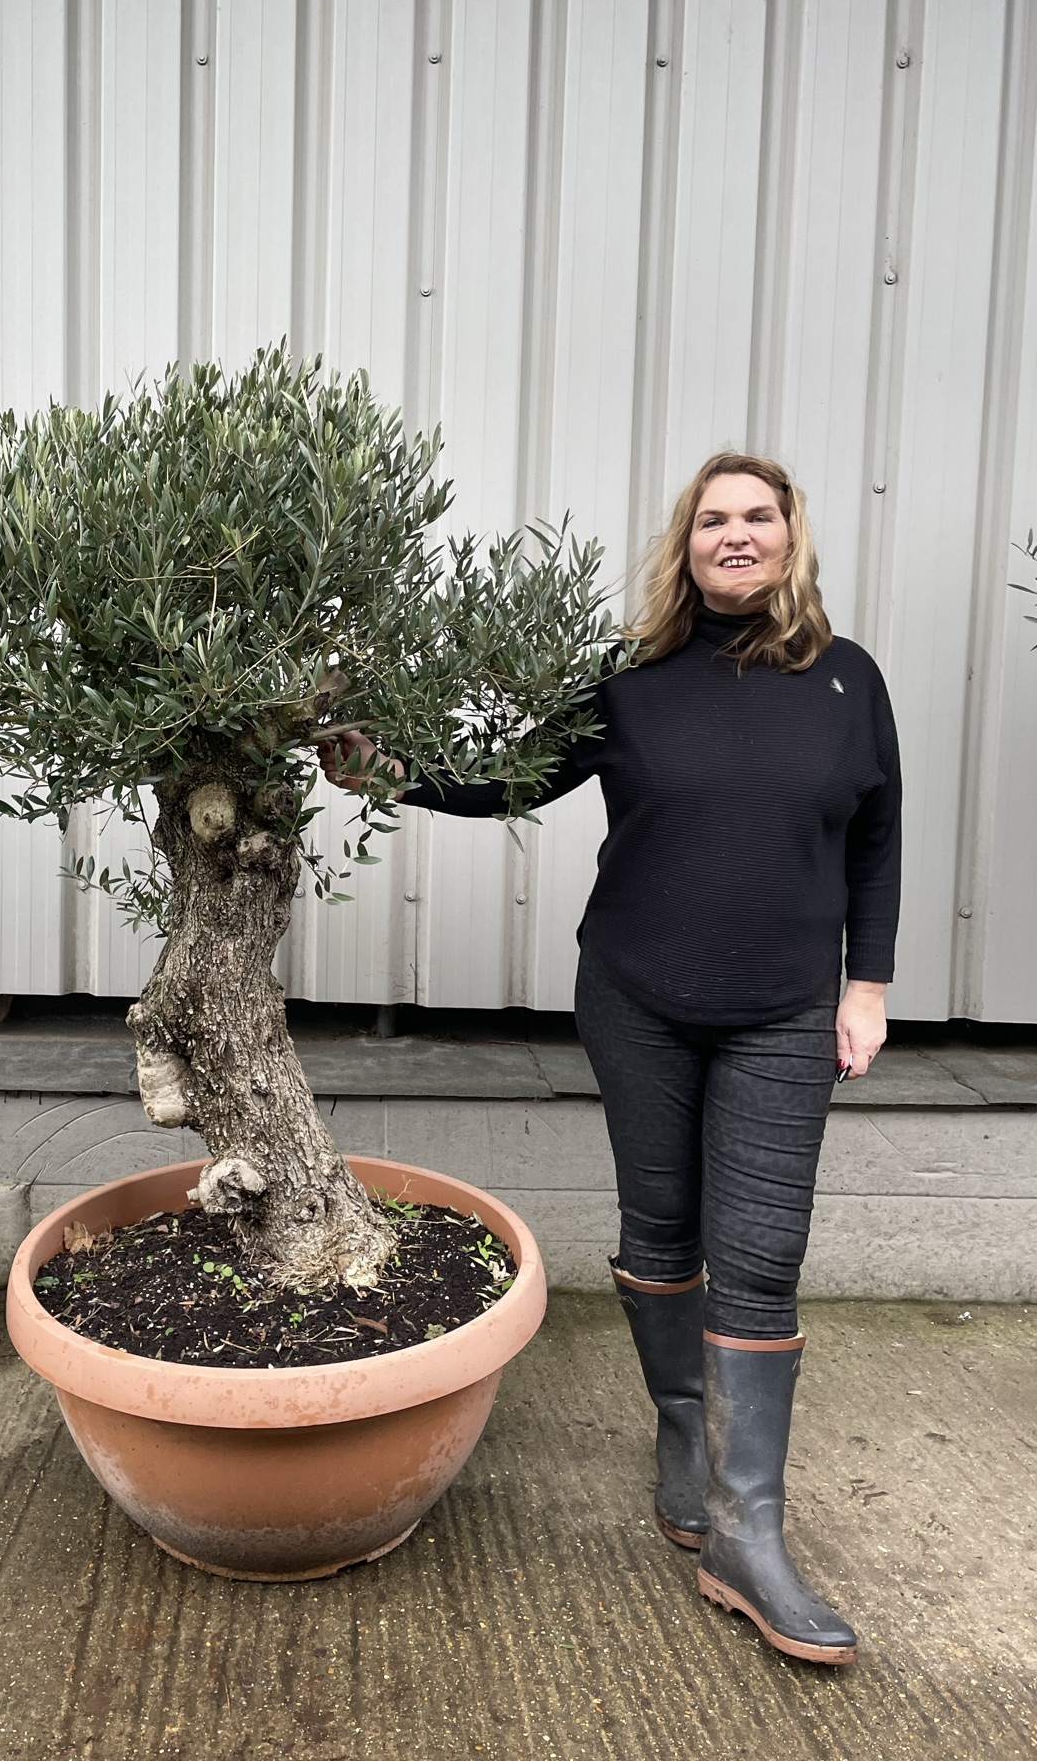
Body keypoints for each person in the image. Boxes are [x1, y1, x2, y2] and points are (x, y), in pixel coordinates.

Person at [319, 452, 900, 1667]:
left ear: (792, 536)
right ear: (684, 546)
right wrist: (383, 767)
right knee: (662, 1219)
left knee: (764, 1248)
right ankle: (683, 1426)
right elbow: (506, 780)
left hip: (783, 1011)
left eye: (757, 516)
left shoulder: (849, 681)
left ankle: (750, 1532)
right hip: (635, 996)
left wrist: (867, 986)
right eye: (712, 520)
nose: (734, 536)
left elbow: (877, 838)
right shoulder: (630, 683)